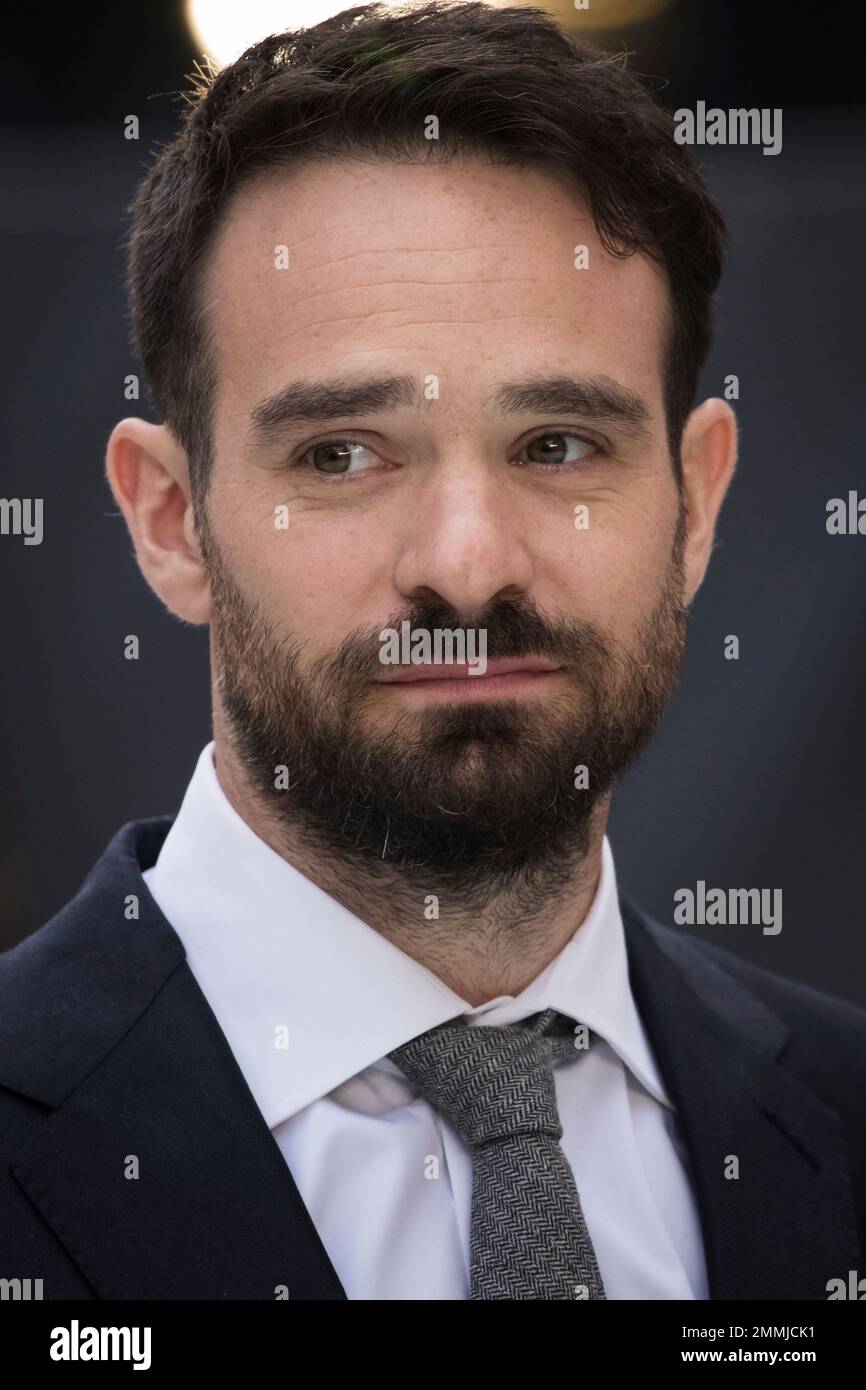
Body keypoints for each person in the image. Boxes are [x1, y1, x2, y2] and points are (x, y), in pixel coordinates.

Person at [1, 1, 863, 1301]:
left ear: (695, 505)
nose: (466, 564)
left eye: (557, 445)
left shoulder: (842, 1118)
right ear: (170, 521)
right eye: (341, 455)